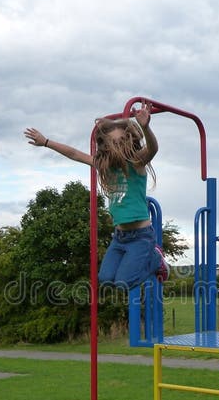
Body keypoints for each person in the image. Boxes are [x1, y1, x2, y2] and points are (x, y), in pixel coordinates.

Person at [25, 103, 169, 289]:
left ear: (130, 141)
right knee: (106, 279)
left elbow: (153, 148)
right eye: (112, 143)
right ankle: (149, 260)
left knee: (123, 283)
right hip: (120, 236)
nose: (117, 146)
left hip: (141, 236)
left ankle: (157, 260)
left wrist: (145, 127)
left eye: (121, 141)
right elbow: (75, 154)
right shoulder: (104, 165)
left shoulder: (137, 162)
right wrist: (46, 142)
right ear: (105, 145)